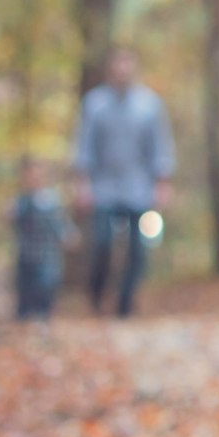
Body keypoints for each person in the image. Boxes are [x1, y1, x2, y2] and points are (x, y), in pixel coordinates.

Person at [72, 47, 174, 318]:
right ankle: (96, 295)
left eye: (127, 65)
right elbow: (84, 147)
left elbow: (159, 147)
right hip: (104, 187)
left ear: (133, 69)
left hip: (138, 187)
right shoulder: (94, 104)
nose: (122, 71)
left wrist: (161, 183)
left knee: (137, 250)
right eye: (117, 66)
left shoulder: (149, 105)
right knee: (102, 243)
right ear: (110, 69)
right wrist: (82, 184)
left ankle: (125, 305)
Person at [8, 155, 69, 321]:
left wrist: (66, 235)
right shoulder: (19, 200)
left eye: (36, 175)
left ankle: (43, 320)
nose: (33, 179)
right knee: (25, 293)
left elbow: (59, 223)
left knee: (45, 289)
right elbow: (12, 220)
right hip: (26, 254)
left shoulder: (50, 199)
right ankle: (24, 319)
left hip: (47, 254)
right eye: (29, 175)